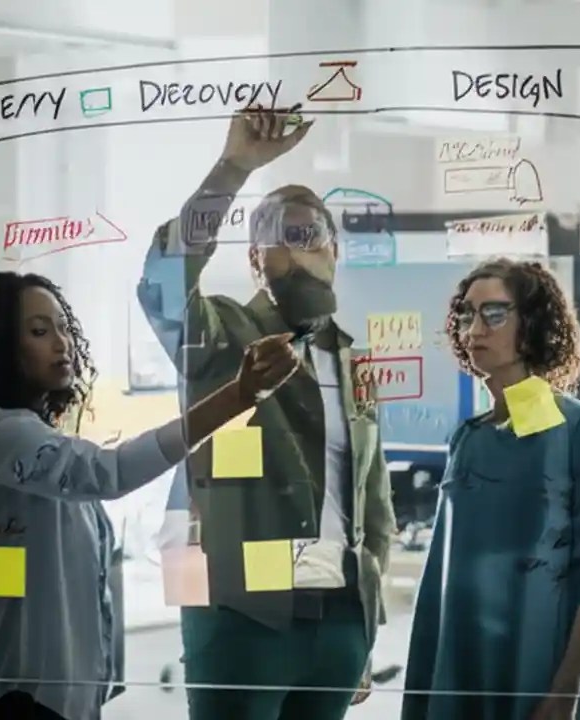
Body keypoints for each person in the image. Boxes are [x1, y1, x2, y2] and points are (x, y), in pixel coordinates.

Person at [0, 271, 300, 720]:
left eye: (64, 328)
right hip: (10, 699)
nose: (61, 342)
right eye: (40, 331)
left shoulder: (33, 437)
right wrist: (238, 397)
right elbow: (112, 471)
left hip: (51, 696)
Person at [136, 107, 397, 719]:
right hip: (244, 619)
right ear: (255, 261)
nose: (304, 252)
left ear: (337, 252)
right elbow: (164, 282)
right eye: (286, 238)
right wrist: (232, 170)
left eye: (315, 237)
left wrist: (364, 623)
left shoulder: (353, 363)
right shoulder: (221, 336)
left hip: (338, 620)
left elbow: (372, 501)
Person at [402, 258, 580, 720]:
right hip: (466, 662)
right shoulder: (470, 437)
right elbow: (440, 585)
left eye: (495, 313)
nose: (475, 329)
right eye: (467, 314)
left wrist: (566, 691)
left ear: (533, 325)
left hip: (544, 666)